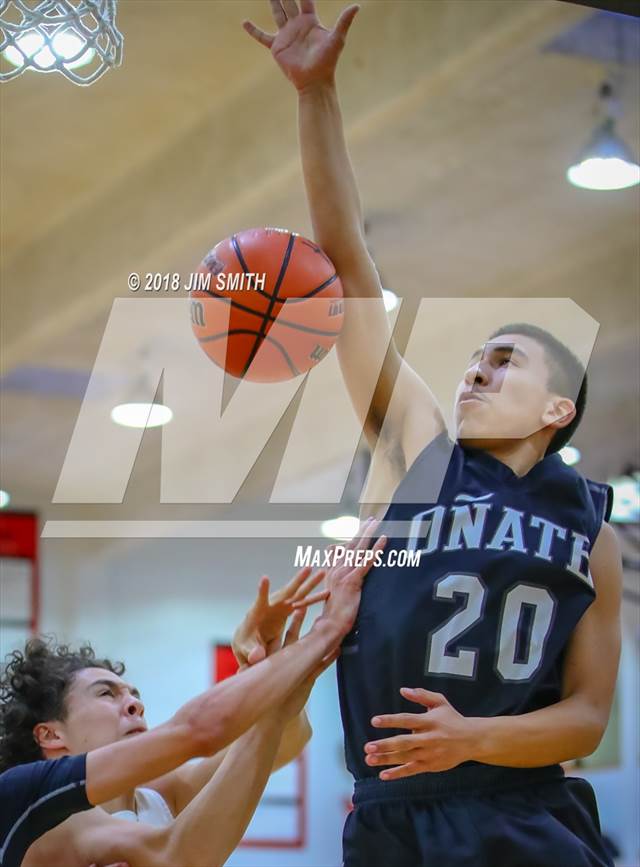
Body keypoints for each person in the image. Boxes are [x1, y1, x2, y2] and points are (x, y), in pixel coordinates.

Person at [243, 3, 623, 866]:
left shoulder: (592, 528)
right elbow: (347, 267)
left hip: (520, 808)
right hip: (388, 815)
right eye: (474, 359)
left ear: (557, 409)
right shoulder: (422, 449)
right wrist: (316, 95)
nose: (475, 372)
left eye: (506, 361)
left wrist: (476, 736)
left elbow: (590, 717)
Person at [6, 522, 386, 867]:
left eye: (132, 693)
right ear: (51, 734)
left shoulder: (159, 795)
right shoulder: (45, 815)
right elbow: (178, 853)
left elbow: (289, 740)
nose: (135, 704)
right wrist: (309, 645)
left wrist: (267, 672)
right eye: (106, 693)